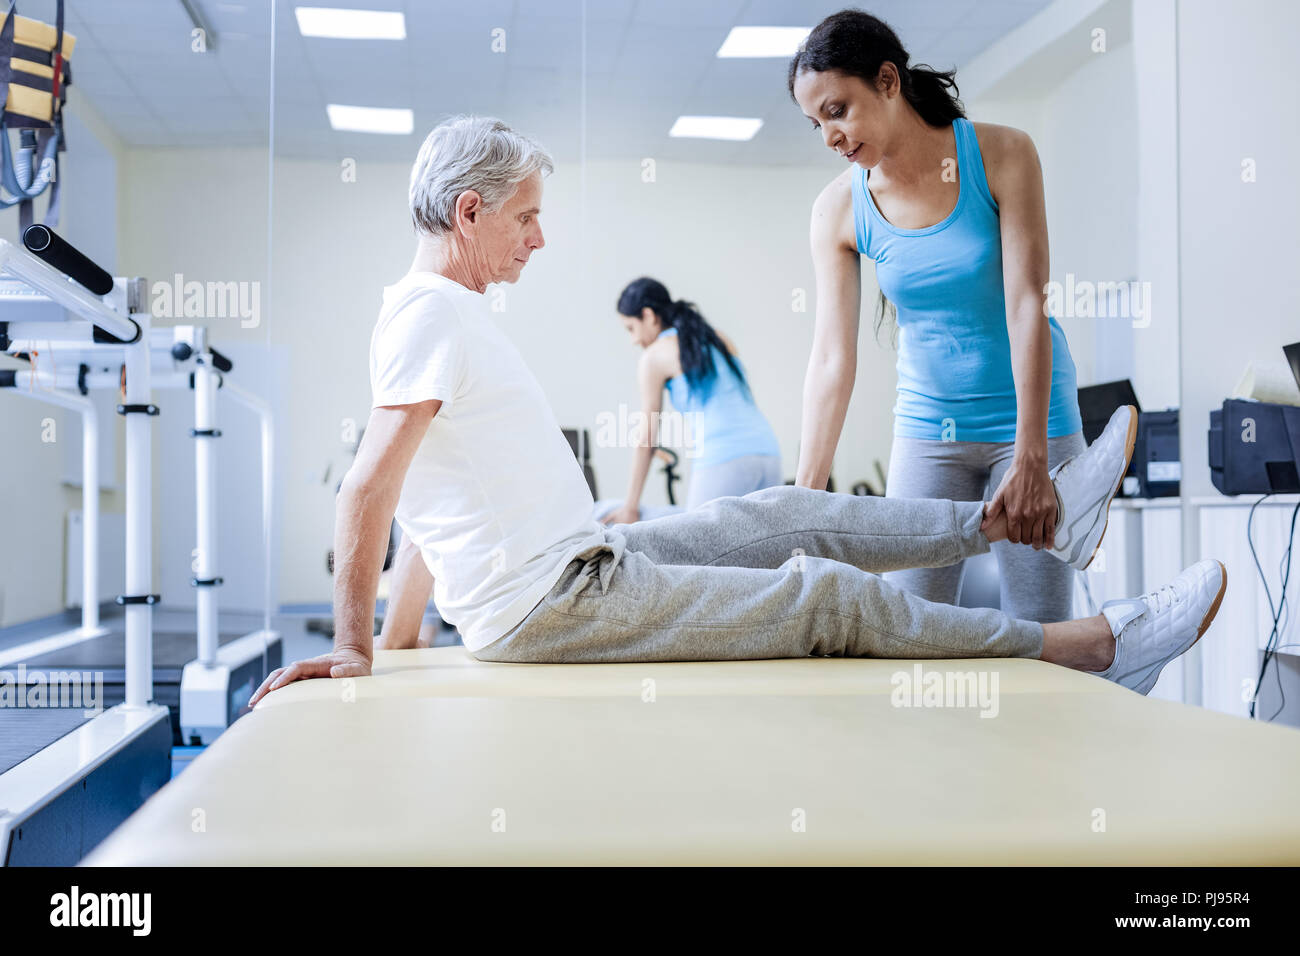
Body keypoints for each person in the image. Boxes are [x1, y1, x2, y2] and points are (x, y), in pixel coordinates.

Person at [249, 115, 1225, 705]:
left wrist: (410, 634)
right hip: (556, 602)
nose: (539, 239)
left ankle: (1033, 517)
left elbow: (426, 499)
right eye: (527, 215)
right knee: (821, 595)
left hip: (585, 561)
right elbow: (371, 487)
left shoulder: (445, 317)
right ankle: (1096, 644)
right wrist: (355, 645)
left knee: (787, 515)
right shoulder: (430, 315)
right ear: (470, 213)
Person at [788, 10, 1088, 623]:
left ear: (889, 82)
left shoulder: (1002, 154)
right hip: (929, 429)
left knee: (1042, 628)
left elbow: (1027, 301)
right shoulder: (839, 209)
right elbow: (830, 357)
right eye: (815, 122)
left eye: (838, 109)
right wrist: (803, 495)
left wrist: (1032, 455)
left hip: (1033, 423)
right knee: (908, 625)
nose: (829, 137)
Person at [601, 277, 782, 524]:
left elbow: (646, 439)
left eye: (631, 328)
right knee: (760, 552)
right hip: (768, 453)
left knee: (697, 553)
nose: (633, 340)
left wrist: (630, 507)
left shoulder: (653, 357)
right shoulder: (717, 337)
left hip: (724, 458)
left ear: (649, 315)